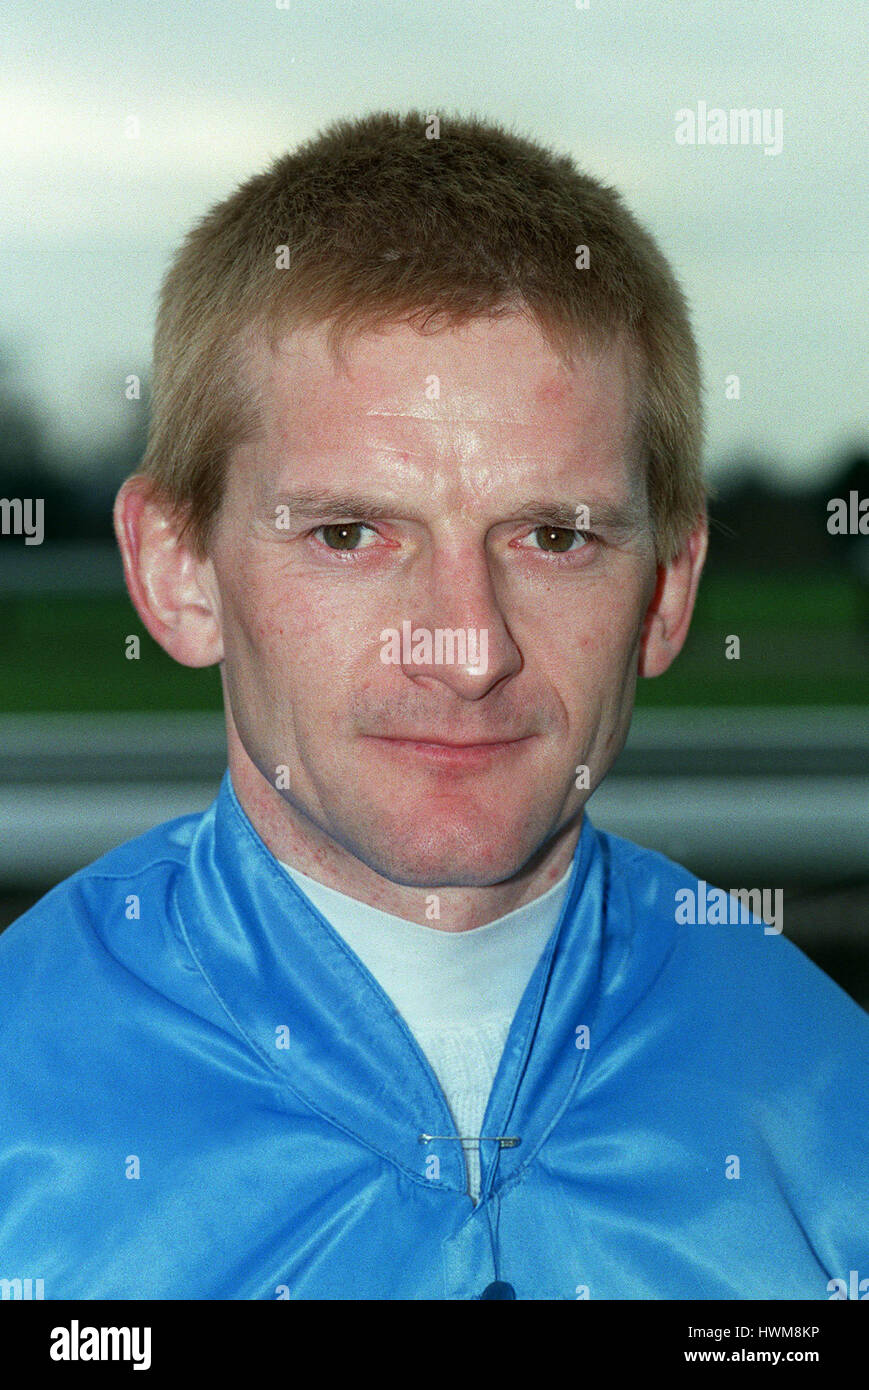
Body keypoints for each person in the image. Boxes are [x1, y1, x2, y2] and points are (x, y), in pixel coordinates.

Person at [0, 111, 865, 1301]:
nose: (465, 650)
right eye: (348, 533)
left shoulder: (833, 1111)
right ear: (176, 572)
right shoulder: (20, 1116)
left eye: (554, 535)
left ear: (666, 592)